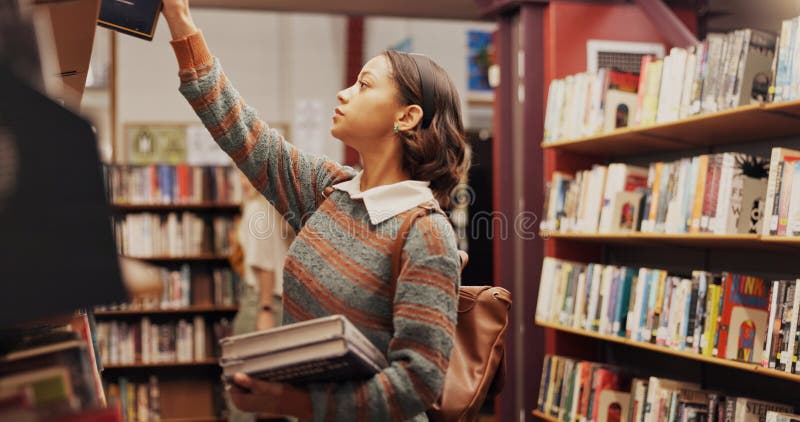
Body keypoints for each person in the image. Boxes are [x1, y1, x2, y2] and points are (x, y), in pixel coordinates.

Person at [161, 1, 470, 420]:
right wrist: (181, 21)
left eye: (364, 85)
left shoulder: (426, 232)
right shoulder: (330, 190)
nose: (344, 93)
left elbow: (418, 381)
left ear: (407, 116)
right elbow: (241, 130)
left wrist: (290, 403)